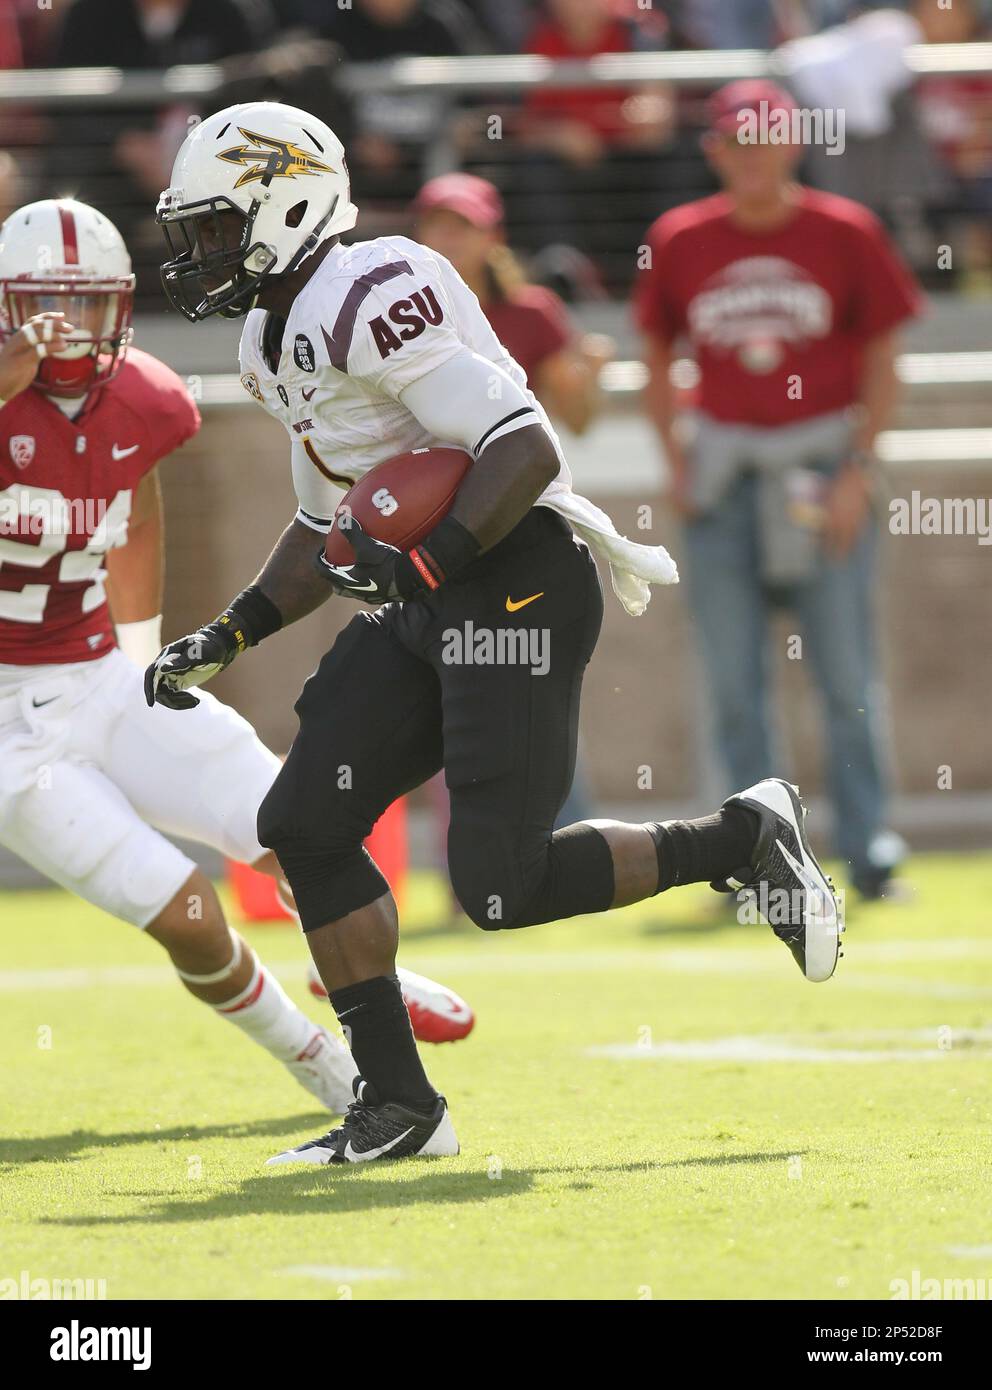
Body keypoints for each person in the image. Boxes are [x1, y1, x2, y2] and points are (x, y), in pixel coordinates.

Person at [148, 100, 841, 1168]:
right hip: (428, 589)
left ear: (285, 204)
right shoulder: (267, 332)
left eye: (212, 226)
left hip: (515, 574)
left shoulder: (376, 286)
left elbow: (520, 444)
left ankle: (742, 837)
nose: (197, 253)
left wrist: (421, 565)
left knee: (497, 884)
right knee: (306, 820)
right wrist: (232, 628)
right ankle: (397, 1106)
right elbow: (320, 516)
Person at [0, 198, 474, 1116]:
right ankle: (321, 1065)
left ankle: (370, 986)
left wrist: (142, 660)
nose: (71, 332)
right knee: (183, 911)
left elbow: (133, 517)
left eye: (91, 305)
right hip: (10, 729)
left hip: (97, 671)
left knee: (290, 829)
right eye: (48, 308)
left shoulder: (142, 397)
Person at [635, 80, 923, 900]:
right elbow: (655, 353)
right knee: (733, 681)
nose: (752, 155)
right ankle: (757, 860)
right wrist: (676, 463)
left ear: (794, 143)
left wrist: (859, 471)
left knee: (845, 672)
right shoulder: (681, 237)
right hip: (725, 478)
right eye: (737, 140)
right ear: (714, 150)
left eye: (766, 138)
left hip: (820, 472)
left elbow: (882, 356)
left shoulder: (845, 231)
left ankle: (870, 849)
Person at [412, 172, 613, 436]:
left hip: (512, 474)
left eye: (463, 225)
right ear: (418, 235)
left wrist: (588, 378)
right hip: (424, 473)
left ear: (494, 237)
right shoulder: (399, 315)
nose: (449, 237)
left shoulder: (533, 312)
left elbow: (577, 423)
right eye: (437, 225)